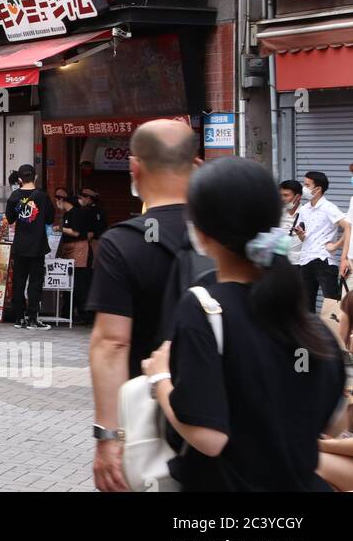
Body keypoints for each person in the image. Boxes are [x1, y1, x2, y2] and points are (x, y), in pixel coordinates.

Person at [142, 157, 346, 491]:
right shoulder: (313, 327)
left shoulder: (204, 308)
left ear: (203, 233)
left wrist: (160, 378)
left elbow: (209, 438)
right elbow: (333, 422)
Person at [88, 119, 199, 492]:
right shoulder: (229, 235)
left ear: (134, 168)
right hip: (229, 415)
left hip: (150, 421)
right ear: (196, 165)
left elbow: (112, 343)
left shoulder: (122, 243)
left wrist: (108, 437)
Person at [1, 164, 54, 330]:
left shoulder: (14, 196)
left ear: (19, 179)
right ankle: (33, 318)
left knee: (19, 281)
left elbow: (9, 219)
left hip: (20, 245)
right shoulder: (42, 196)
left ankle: (18, 317)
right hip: (38, 245)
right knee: (35, 282)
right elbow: (50, 219)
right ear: (35, 177)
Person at [295, 170, 348, 314]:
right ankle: (310, 336)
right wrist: (301, 235)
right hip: (305, 260)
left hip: (324, 260)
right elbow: (304, 237)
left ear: (317, 189)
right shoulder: (304, 209)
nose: (303, 188)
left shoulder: (329, 208)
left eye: (307, 185)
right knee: (306, 307)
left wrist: (336, 246)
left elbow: (348, 226)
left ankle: (334, 335)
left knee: (331, 305)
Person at [57, 192, 94, 325]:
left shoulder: (76, 213)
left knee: (79, 282)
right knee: (68, 281)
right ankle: (67, 311)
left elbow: (76, 232)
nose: (57, 204)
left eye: (58, 200)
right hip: (68, 249)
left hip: (79, 250)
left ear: (62, 200)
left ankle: (84, 313)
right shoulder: (67, 214)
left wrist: (60, 229)